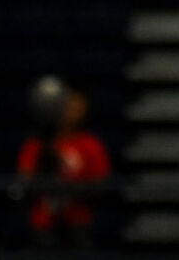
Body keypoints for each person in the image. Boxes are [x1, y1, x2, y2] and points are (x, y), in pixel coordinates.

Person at [16, 75, 112, 248]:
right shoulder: (37, 144)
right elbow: (24, 182)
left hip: (78, 224)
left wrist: (72, 189)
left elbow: (101, 187)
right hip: (43, 225)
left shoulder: (91, 145)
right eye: (67, 105)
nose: (71, 111)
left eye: (77, 106)